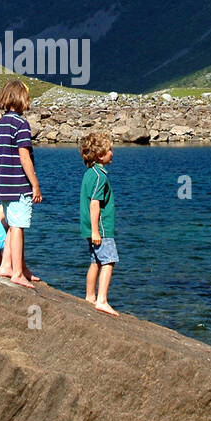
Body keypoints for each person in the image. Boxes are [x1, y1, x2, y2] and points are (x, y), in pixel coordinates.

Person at [0, 79, 41, 288]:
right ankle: (18, 272)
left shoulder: (0, 123)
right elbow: (24, 157)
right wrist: (35, 185)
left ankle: (6, 265)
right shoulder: (21, 124)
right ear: (22, 99)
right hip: (19, 185)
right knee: (19, 226)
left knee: (12, 224)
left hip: (2, 185)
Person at [79, 131, 119, 316]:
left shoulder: (89, 173)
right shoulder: (99, 176)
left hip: (90, 228)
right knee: (109, 261)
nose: (113, 152)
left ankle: (90, 296)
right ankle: (101, 299)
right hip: (101, 229)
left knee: (95, 261)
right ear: (100, 155)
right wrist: (96, 231)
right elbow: (94, 204)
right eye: (110, 149)